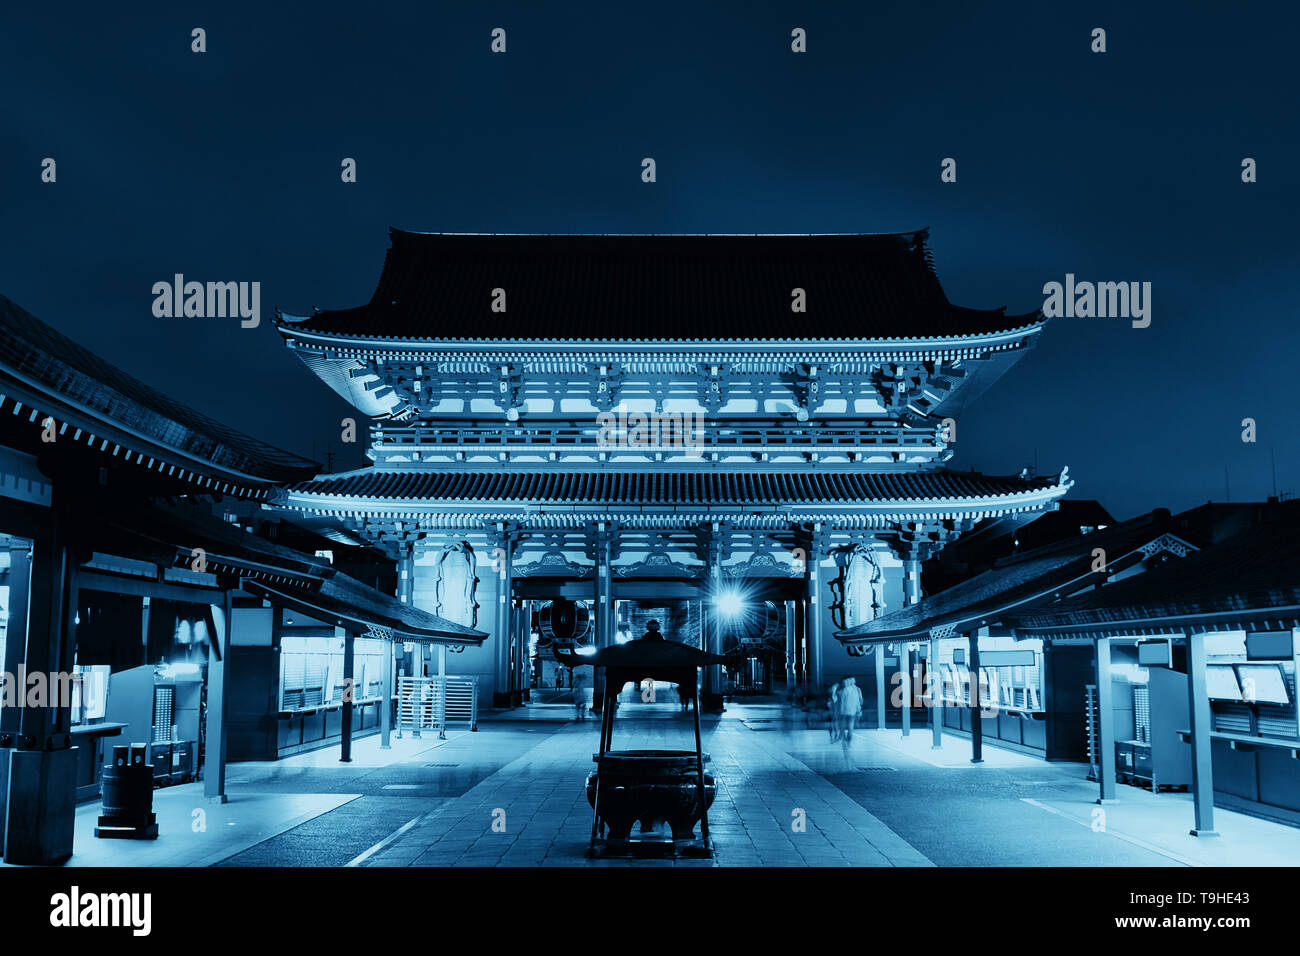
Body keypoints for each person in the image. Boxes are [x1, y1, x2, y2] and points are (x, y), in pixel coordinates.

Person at [838, 677, 864, 746]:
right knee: (851, 723)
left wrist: (841, 710)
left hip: (845, 710)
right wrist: (858, 709)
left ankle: (843, 736)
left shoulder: (845, 690)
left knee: (844, 722)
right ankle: (849, 736)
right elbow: (858, 700)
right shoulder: (856, 690)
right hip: (853, 710)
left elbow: (843, 701)